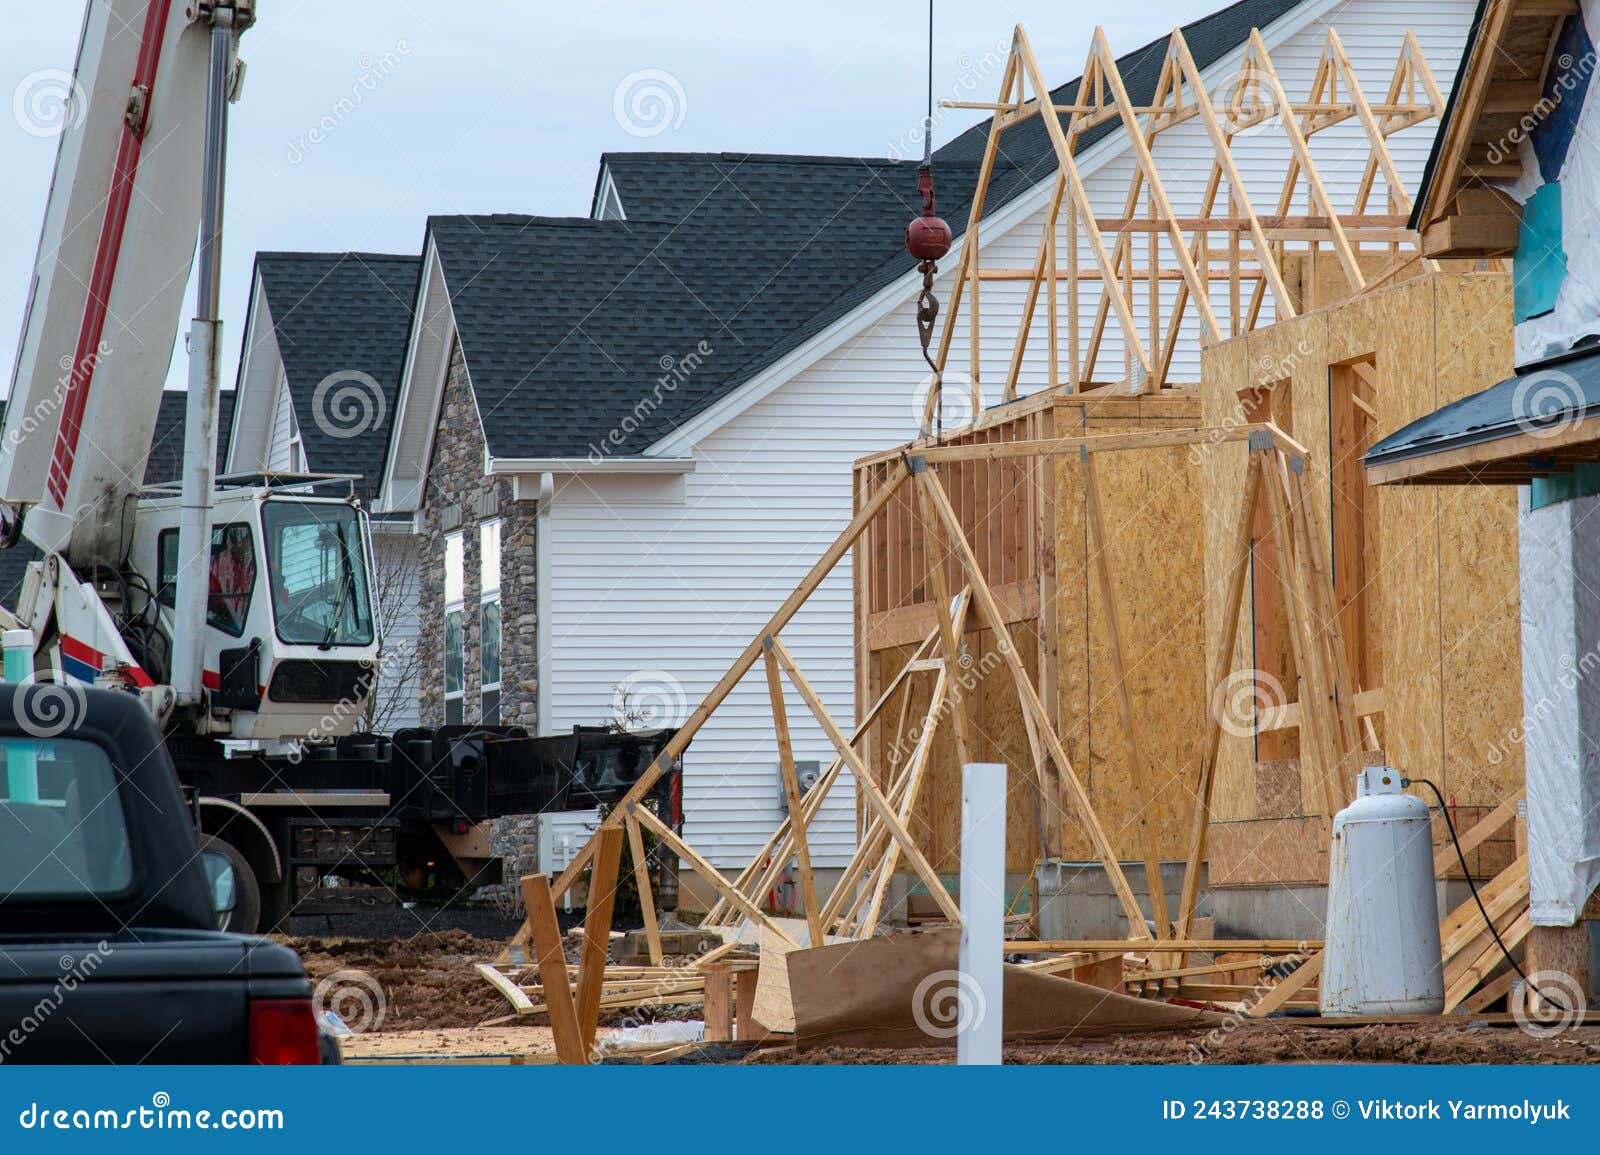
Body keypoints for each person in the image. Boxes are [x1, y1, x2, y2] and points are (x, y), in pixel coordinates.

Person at [208, 526, 255, 630]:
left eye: (248, 542)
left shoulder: (254, 561)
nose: (247, 546)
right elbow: (214, 598)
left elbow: (274, 583)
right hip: (227, 617)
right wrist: (237, 605)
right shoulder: (220, 564)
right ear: (234, 543)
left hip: (252, 613)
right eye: (244, 542)